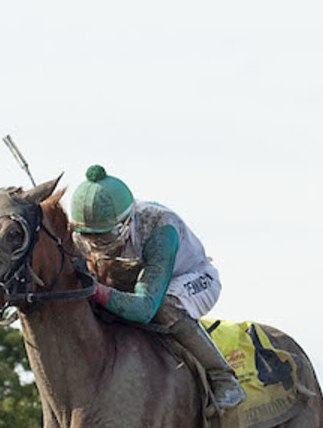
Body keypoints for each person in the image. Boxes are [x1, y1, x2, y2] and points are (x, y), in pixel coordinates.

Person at [70, 165, 246, 413]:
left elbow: (144, 308)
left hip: (191, 278)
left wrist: (97, 291)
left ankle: (224, 378)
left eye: (107, 236)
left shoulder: (159, 228)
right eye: (90, 237)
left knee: (166, 305)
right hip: (140, 279)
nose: (98, 246)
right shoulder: (82, 233)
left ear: (127, 220)